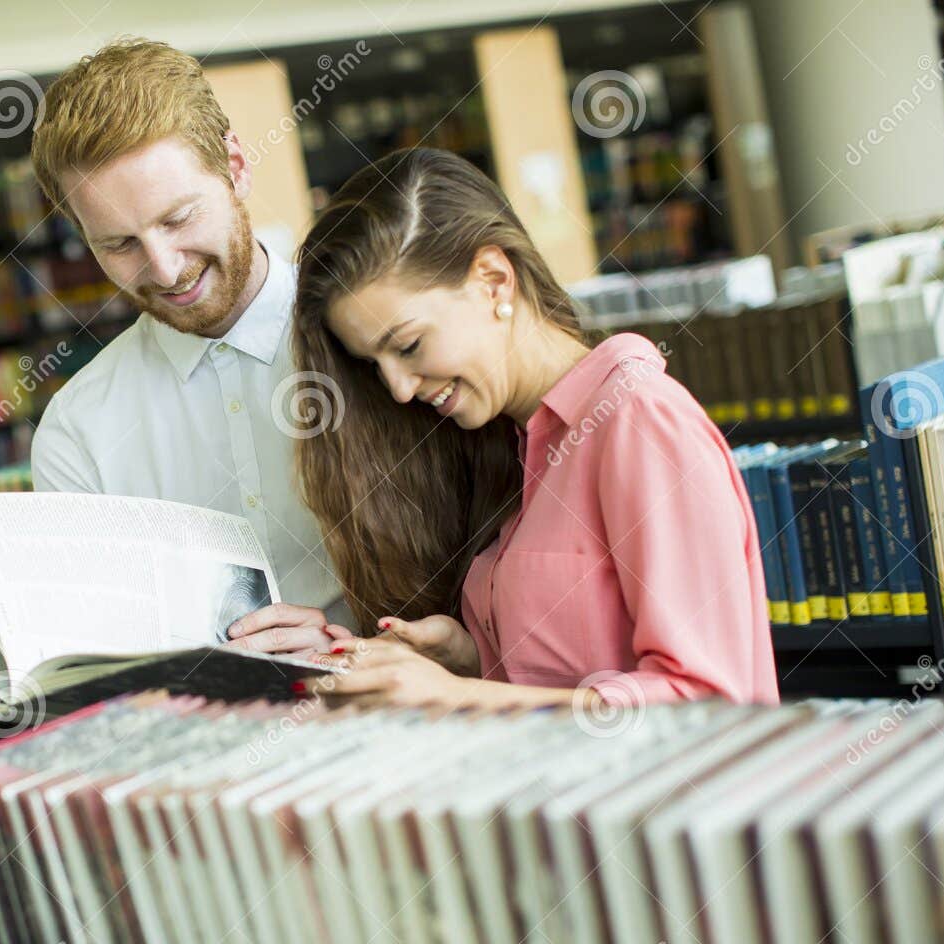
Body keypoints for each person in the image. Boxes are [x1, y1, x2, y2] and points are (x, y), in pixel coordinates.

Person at [269, 148, 778, 711]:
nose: (398, 389)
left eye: (408, 345)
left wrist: (463, 697)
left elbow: (709, 701)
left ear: (494, 280)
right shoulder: (516, 443)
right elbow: (577, 673)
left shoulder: (638, 421)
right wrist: (467, 662)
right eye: (373, 364)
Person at [28, 36, 352, 660]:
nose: (165, 268)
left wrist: (350, 646)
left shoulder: (374, 340)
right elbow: (97, 656)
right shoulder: (79, 430)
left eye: (177, 219)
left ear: (235, 166)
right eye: (119, 244)